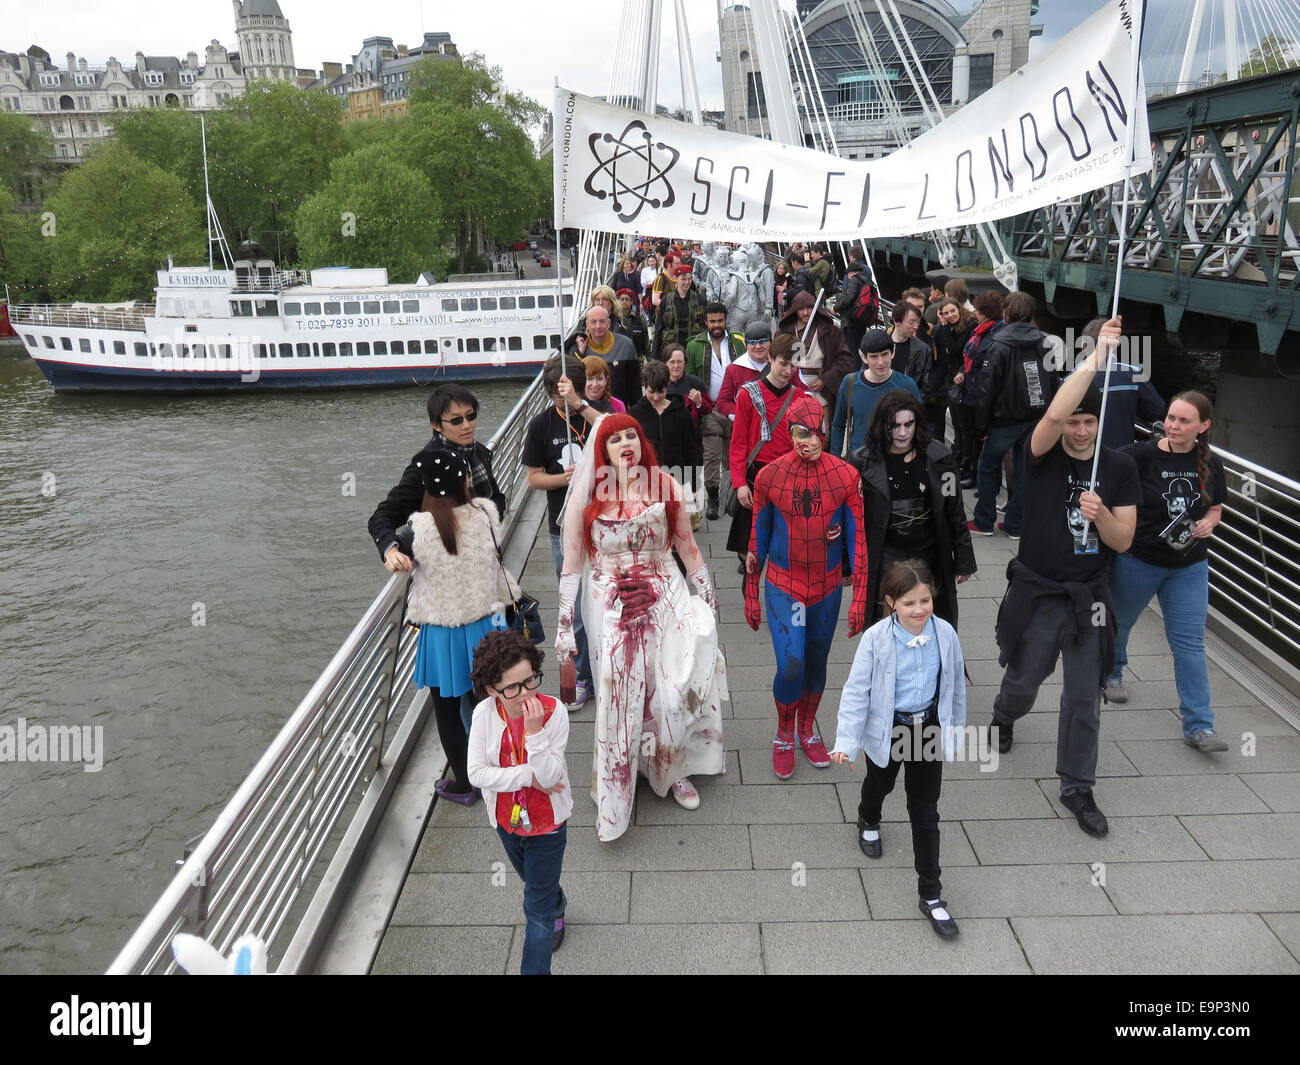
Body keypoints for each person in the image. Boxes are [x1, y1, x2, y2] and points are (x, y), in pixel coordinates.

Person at [990, 317, 1139, 837]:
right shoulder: (1043, 455)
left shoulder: (1119, 467)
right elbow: (1052, 412)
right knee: (1025, 680)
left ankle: (1077, 785)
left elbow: (1123, 541)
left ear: (1099, 426)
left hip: (1088, 596)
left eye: (1088, 422)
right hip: (1040, 587)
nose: (1079, 429)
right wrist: (1098, 356)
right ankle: (1004, 716)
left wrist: (1103, 518)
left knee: (1082, 694)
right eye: (1074, 421)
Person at [557, 414, 727, 840]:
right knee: (621, 690)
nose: (625, 444)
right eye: (615, 440)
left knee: (670, 684)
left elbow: (687, 546)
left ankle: (673, 768)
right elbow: (573, 565)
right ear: (602, 451)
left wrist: (706, 593)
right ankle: (618, 778)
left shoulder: (666, 486)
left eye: (631, 435)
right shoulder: (588, 498)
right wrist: (563, 626)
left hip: (666, 591)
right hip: (612, 603)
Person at [831, 559, 967, 939]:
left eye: (925, 600)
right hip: (889, 729)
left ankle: (931, 894)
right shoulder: (875, 639)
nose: (919, 609)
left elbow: (955, 685)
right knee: (881, 782)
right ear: (891, 602)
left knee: (924, 811)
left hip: (928, 731)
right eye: (909, 603)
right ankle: (868, 817)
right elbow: (857, 692)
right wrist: (846, 740)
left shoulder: (945, 634)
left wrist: (953, 732)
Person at [744, 392, 868, 778]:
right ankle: (784, 733)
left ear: (826, 434)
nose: (809, 440)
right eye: (801, 432)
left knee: (816, 663)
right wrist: (751, 593)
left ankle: (806, 729)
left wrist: (860, 598)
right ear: (789, 431)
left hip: (828, 588)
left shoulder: (846, 476)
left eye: (816, 433)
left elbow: (858, 541)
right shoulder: (768, 476)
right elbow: (756, 541)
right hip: (784, 584)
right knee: (792, 662)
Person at [1105, 392, 1228, 752]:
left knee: (1189, 643)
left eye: (1184, 420)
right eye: (1171, 418)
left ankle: (1199, 726)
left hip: (1189, 566)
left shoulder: (1211, 463)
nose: (1174, 425)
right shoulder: (1138, 456)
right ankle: (1112, 671)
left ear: (1203, 426)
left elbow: (1216, 509)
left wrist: (1208, 523)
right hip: (1138, 559)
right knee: (1120, 623)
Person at [406, 447, 520, 806]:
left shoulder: (417, 528)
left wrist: (389, 547)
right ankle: (503, 766)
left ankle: (465, 784)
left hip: (441, 632)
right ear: (465, 480)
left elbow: (393, 540)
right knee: (490, 702)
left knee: (446, 710)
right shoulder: (485, 514)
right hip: (485, 623)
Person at [467, 630, 570, 974]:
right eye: (512, 688)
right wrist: (527, 776)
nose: (524, 693)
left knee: (535, 913)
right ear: (492, 690)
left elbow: (552, 774)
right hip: (507, 821)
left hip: (548, 824)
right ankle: (555, 899)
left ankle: (546, 915)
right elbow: (477, 774)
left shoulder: (555, 714)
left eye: (530, 681)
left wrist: (536, 732)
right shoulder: (484, 715)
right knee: (532, 879)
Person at [852, 391, 976, 625]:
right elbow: (853, 519)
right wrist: (849, 565)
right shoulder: (862, 461)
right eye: (895, 425)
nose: (902, 432)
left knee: (932, 623)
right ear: (883, 425)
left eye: (908, 424)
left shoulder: (941, 458)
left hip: (930, 553)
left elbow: (955, 511)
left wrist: (964, 558)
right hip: (884, 555)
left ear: (917, 422)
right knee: (886, 626)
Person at [521, 355, 603, 709]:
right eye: (557, 396)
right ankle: (582, 677)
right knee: (576, 610)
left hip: (603, 523)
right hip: (563, 529)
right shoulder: (540, 426)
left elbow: (614, 429)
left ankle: (607, 671)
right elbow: (534, 477)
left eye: (567, 393)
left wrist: (578, 404)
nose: (562, 402)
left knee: (605, 602)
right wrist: (562, 479)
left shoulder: (595, 415)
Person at [370, 384, 505, 571]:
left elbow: (496, 497)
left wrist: (485, 523)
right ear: (436, 425)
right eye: (456, 420)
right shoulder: (426, 467)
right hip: (448, 571)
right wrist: (390, 550)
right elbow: (382, 516)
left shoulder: (478, 453)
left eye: (471, 416)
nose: (467, 425)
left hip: (487, 559)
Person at [971, 291, 1058, 539]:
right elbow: (1053, 382)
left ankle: (984, 520)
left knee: (987, 467)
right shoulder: (1044, 342)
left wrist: (981, 426)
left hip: (1004, 419)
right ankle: (1015, 524)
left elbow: (988, 390)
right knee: (1024, 471)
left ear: (1006, 313)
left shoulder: (999, 344)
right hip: (1034, 417)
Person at [727, 333, 809, 571]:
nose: (788, 370)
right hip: (756, 477)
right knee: (748, 555)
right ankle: (751, 605)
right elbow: (738, 443)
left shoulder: (801, 398)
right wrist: (740, 483)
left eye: (793, 365)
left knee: (785, 553)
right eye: (784, 363)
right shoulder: (747, 394)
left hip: (789, 476)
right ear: (771, 359)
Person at [685, 303, 744, 519]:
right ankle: (713, 498)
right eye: (713, 322)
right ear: (706, 322)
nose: (717, 325)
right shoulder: (695, 345)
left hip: (736, 407)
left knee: (734, 455)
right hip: (709, 408)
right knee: (711, 455)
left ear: (725, 320)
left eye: (720, 321)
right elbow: (690, 378)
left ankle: (732, 494)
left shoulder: (738, 341)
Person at [1069, 317, 1165, 450]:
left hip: (1084, 453)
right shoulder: (1133, 373)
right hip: (1123, 453)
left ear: (1083, 346)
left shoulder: (1070, 379)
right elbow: (1156, 410)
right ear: (1115, 344)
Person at [829, 328, 922, 457]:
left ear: (893, 351)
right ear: (863, 357)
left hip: (896, 459)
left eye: (884, 354)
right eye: (874, 356)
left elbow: (919, 424)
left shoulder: (907, 385)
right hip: (860, 460)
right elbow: (838, 424)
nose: (880, 362)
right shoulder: (849, 383)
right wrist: (836, 460)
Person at [952, 290, 1004, 487]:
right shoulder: (980, 332)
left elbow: (988, 369)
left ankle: (988, 483)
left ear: (986, 312)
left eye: (977, 310)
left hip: (981, 397)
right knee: (973, 439)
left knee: (984, 442)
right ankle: (975, 477)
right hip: (971, 393)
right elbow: (970, 360)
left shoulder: (996, 335)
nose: (974, 312)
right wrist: (961, 372)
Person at [629, 359, 703, 495]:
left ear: (668, 385)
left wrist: (693, 484)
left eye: (660, 391)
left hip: (678, 479)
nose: (656, 397)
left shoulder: (682, 413)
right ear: (644, 385)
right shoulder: (634, 414)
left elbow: (691, 450)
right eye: (651, 391)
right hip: (645, 481)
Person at [777, 290, 855, 416]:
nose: (806, 312)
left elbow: (845, 359)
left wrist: (826, 379)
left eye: (809, 308)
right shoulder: (784, 333)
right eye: (801, 309)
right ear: (795, 310)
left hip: (820, 393)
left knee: (821, 433)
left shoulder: (830, 332)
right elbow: (774, 360)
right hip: (790, 391)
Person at [894, 302, 948, 443]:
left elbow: (925, 385)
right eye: (911, 322)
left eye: (917, 322)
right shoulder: (882, 345)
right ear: (896, 322)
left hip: (909, 410)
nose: (916, 327)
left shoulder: (922, 349)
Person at [932, 297, 976, 457]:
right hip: (952, 379)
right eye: (946, 313)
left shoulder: (970, 326)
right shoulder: (948, 328)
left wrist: (943, 326)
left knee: (964, 425)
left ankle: (964, 456)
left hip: (964, 380)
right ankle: (958, 453)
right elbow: (945, 355)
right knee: (957, 423)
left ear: (959, 309)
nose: (950, 315)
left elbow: (953, 349)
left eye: (952, 311)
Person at [575, 305, 640, 409]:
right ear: (587, 324)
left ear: (609, 323)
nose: (598, 326)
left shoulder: (626, 345)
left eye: (602, 321)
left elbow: (635, 387)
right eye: (593, 322)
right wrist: (579, 354)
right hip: (586, 412)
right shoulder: (577, 348)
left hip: (618, 410)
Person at [653, 263, 705, 359]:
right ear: (676, 279)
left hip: (693, 350)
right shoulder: (666, 300)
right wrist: (655, 356)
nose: (687, 282)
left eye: (689, 279)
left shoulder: (699, 299)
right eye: (683, 279)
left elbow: (706, 326)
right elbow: (659, 327)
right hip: (672, 351)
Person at [832, 259, 878, 356]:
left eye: (848, 273)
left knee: (851, 349)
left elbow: (848, 298)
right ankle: (859, 367)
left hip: (851, 321)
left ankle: (854, 369)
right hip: (862, 319)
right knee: (859, 347)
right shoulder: (868, 282)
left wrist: (835, 308)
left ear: (851, 272)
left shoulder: (854, 280)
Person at [616, 287, 649, 360]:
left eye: (627, 299)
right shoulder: (614, 319)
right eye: (622, 299)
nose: (624, 301)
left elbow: (646, 342)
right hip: (618, 359)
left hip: (636, 359)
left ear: (631, 302)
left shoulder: (639, 319)